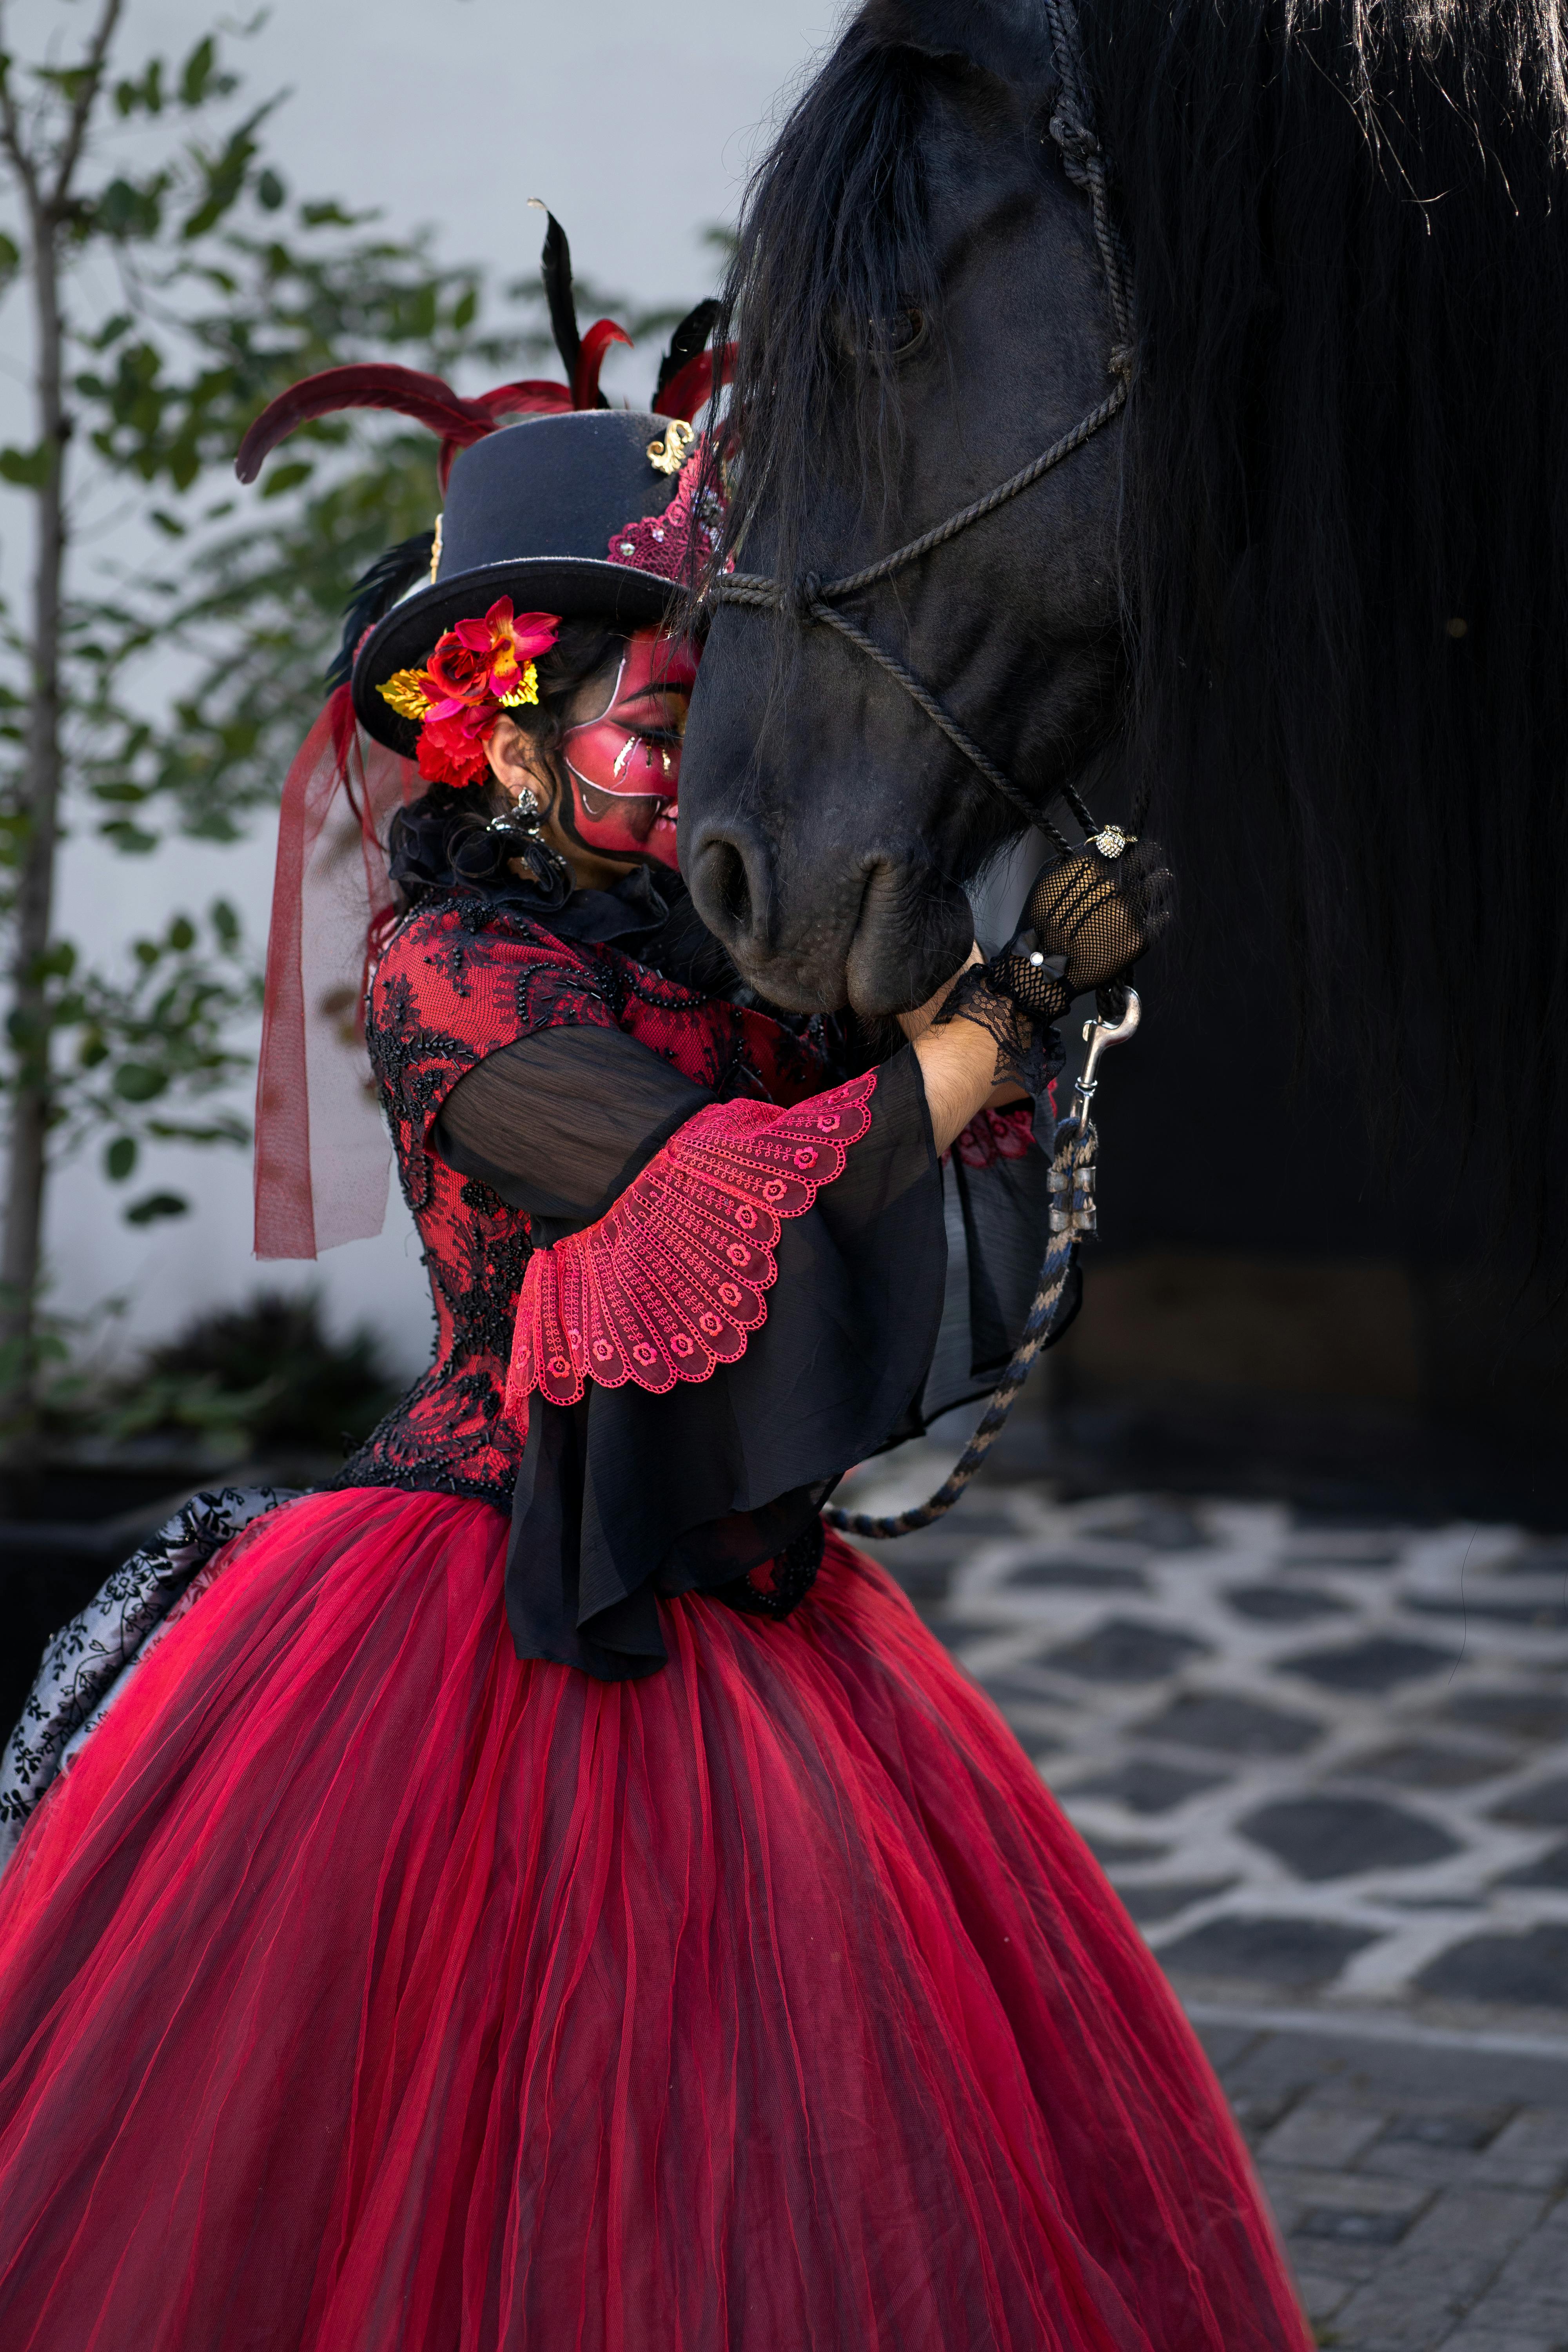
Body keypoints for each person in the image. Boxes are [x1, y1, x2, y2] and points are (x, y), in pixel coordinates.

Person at [0, 234, 1309, 2351]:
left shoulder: (729, 963)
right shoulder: (455, 976)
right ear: (503, 741)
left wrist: (1025, 984)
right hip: (465, 1604)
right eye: (644, 697)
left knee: (798, 2127)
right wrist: (1000, 1017)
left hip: (736, 1597)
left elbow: (905, 1179)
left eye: (702, 695)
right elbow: (722, 1194)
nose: (681, 742)